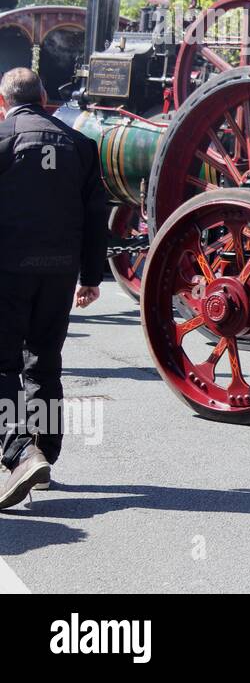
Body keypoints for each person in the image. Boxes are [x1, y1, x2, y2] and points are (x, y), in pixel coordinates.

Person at [0, 67, 106, 510]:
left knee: (4, 365)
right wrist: (92, 276)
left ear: (4, 101)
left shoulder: (4, 139)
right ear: (44, 97)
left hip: (9, 270)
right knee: (44, 362)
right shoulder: (81, 145)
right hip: (59, 271)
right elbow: (97, 216)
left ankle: (19, 451)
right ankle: (45, 452)